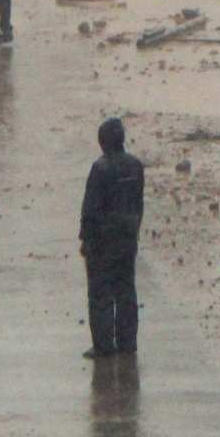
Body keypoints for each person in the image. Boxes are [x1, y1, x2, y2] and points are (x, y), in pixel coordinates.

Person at [79, 115, 146, 359]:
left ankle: (104, 345)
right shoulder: (136, 166)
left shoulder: (100, 168)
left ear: (102, 142)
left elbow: (90, 208)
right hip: (127, 238)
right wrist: (135, 231)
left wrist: (86, 239)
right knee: (126, 290)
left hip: (103, 241)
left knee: (100, 294)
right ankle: (128, 343)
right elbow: (138, 204)